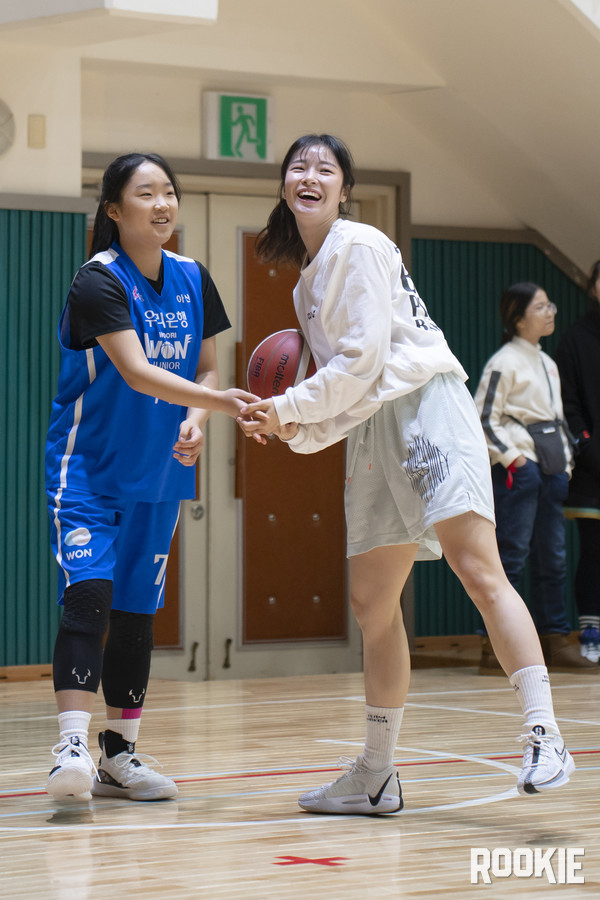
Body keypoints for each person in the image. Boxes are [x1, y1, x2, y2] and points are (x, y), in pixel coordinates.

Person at [238, 133, 575, 814]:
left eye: (325, 168)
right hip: (371, 429)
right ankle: (377, 775)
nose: (310, 175)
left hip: (425, 409)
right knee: (371, 603)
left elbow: (360, 366)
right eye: (298, 166)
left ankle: (544, 731)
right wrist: (293, 428)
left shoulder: (359, 245)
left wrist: (287, 408)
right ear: (284, 186)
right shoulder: (308, 280)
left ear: (343, 189)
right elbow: (348, 394)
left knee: (479, 569)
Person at [45, 152, 258, 801]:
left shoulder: (195, 277)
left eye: (169, 192)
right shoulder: (98, 281)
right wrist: (221, 405)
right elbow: (136, 370)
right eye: (146, 194)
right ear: (114, 210)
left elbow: (208, 369)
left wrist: (198, 416)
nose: (162, 204)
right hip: (88, 472)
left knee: (138, 614)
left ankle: (120, 755)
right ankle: (72, 747)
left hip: (160, 476)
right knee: (90, 599)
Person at [473, 283, 597, 675]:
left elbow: (559, 419)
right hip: (522, 473)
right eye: (541, 307)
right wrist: (515, 461)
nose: (550, 313)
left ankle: (555, 641)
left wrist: (564, 467)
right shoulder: (502, 362)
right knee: (510, 555)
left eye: (550, 305)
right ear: (518, 318)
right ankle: (493, 648)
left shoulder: (548, 362)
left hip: (552, 471)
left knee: (553, 559)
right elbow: (483, 420)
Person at [555, 260, 600, 664]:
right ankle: (591, 632)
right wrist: (587, 445)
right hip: (592, 471)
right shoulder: (575, 338)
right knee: (594, 552)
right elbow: (567, 404)